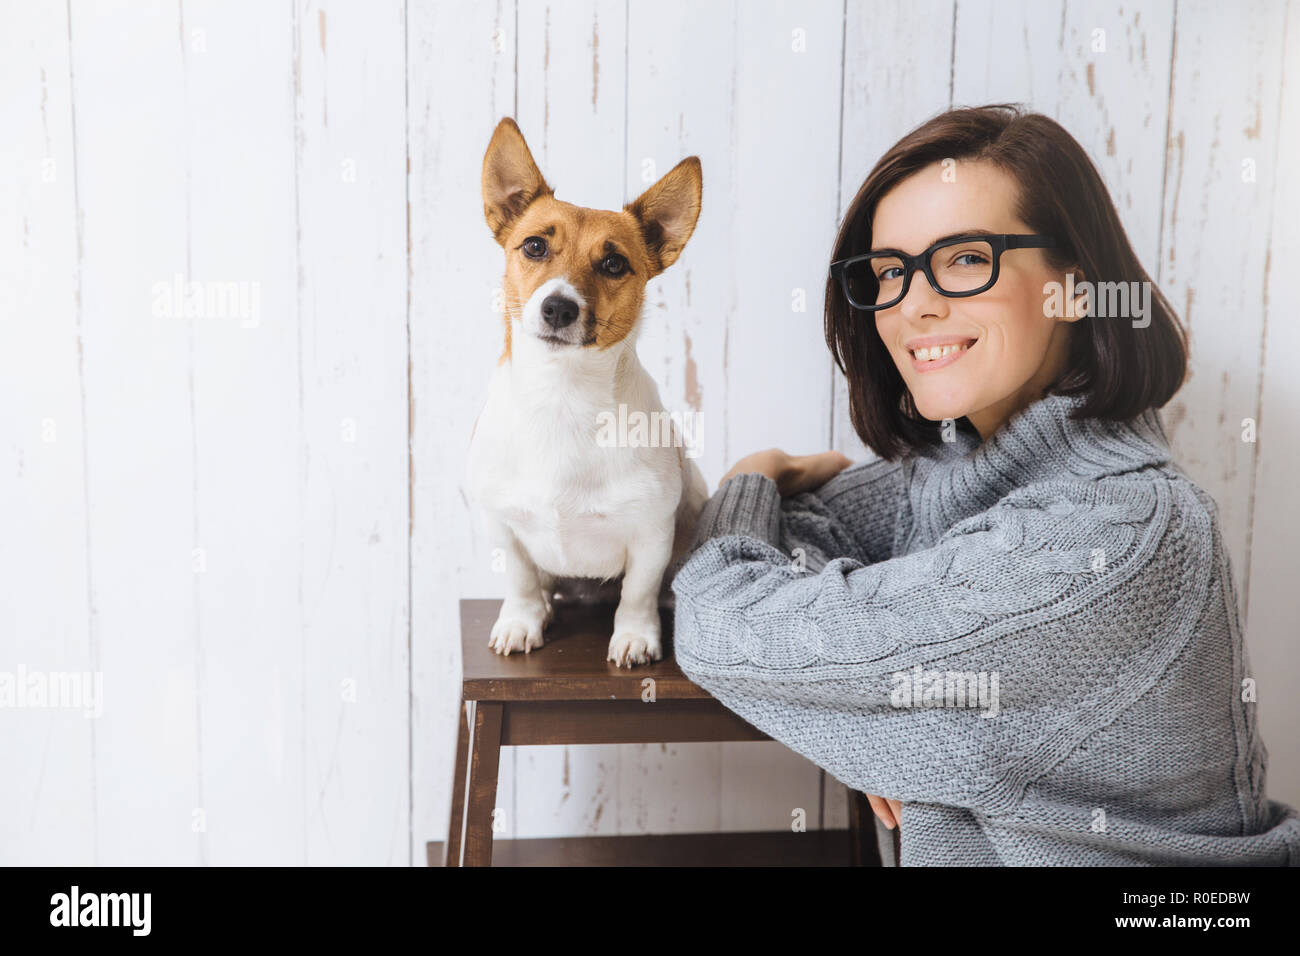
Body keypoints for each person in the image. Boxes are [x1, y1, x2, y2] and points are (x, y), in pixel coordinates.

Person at [670, 104, 1300, 866]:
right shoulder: (949, 471)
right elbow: (801, 533)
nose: (914, 304)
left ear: (1073, 284)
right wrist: (872, 723)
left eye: (966, 258)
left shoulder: (1119, 537)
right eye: (889, 272)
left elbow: (720, 623)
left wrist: (747, 477)